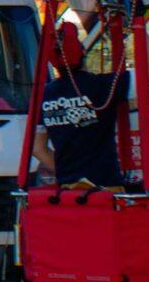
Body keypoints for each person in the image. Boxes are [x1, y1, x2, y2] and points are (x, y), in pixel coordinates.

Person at [34, 17, 125, 189]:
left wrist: (67, 172)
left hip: (70, 194)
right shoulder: (104, 86)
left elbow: (38, 148)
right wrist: (136, 22)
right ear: (83, 52)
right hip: (107, 189)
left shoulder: (44, 95)